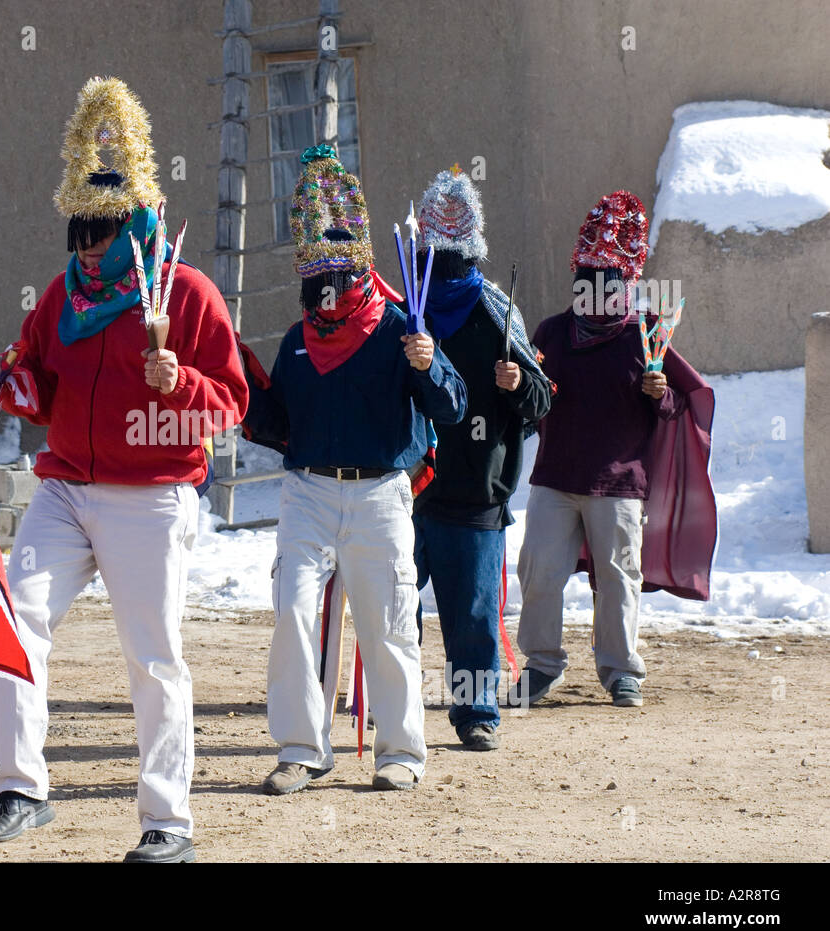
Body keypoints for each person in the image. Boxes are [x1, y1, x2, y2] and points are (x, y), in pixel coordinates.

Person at [0, 77, 248, 863]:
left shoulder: (185, 293)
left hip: (151, 496)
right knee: (15, 620)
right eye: (79, 231)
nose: (89, 246)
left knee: (152, 654)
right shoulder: (60, 298)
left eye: (103, 230)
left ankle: (169, 821)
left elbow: (230, 405)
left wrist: (179, 384)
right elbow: (44, 388)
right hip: (63, 487)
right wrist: (16, 384)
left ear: (134, 221)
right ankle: (20, 788)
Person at [244, 144, 466, 796]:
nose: (328, 293)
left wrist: (429, 364)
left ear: (361, 267)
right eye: (318, 280)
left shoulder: (403, 328)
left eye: (339, 275)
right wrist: (231, 379)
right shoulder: (294, 340)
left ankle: (400, 751)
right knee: (292, 612)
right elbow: (279, 419)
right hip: (307, 493)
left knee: (390, 622)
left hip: (379, 496)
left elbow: (451, 408)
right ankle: (301, 749)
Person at [512, 190, 711, 708]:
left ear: (625, 284)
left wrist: (658, 393)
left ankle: (621, 670)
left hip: (620, 485)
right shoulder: (552, 333)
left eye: (607, 281)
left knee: (619, 579)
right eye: (587, 279)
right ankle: (541, 665)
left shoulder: (645, 335)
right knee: (538, 571)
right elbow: (531, 401)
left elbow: (678, 404)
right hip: (555, 478)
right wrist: (514, 385)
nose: (596, 289)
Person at [409, 171, 551, 751]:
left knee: (472, 613)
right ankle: (396, 704)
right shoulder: (408, 311)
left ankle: (476, 710)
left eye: (450, 260)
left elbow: (542, 403)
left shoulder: (498, 313)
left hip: (477, 491)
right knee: (393, 605)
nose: (439, 273)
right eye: (430, 260)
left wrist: (517, 383)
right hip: (408, 487)